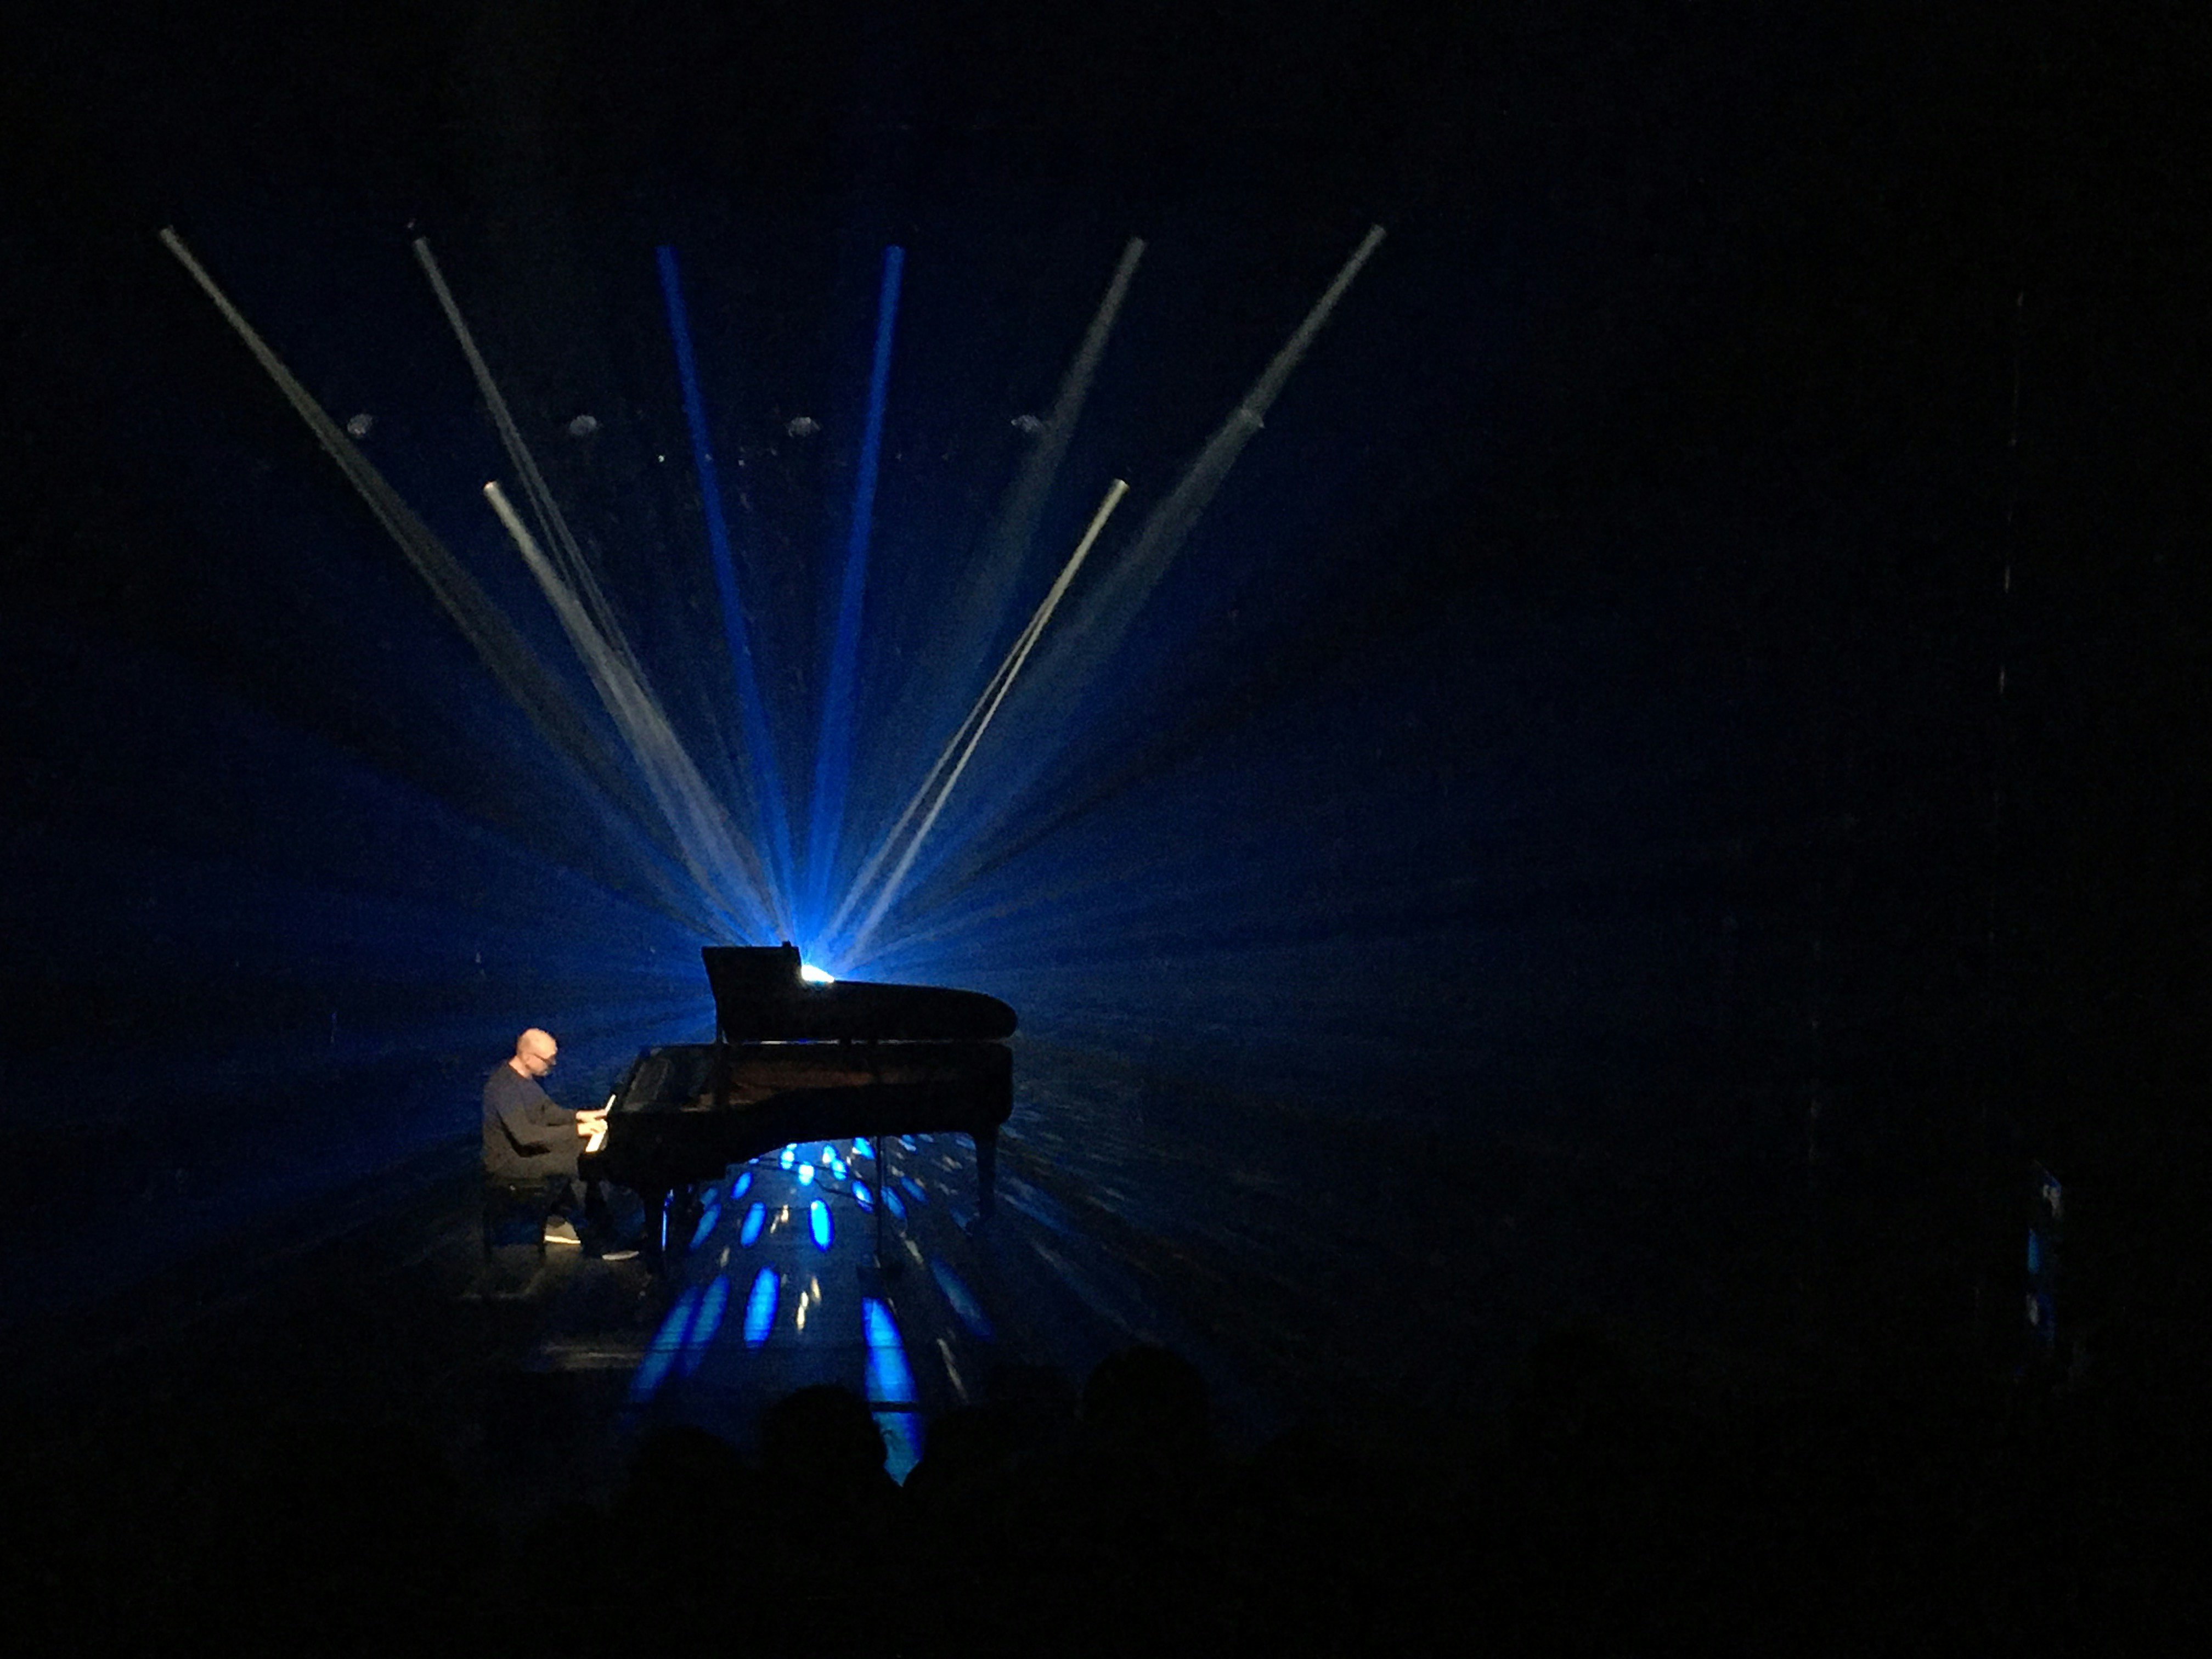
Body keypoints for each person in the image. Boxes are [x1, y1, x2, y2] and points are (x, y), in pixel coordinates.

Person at [482, 1028, 635, 1259]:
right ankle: (605, 1242)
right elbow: (526, 1136)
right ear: (528, 1057)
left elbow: (547, 1112)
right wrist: (577, 1130)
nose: (552, 1065)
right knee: (582, 1164)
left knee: (587, 1152)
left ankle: (561, 1217)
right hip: (510, 1161)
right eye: (548, 1060)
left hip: (527, 1151)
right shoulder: (503, 1087)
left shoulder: (526, 1079)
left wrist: (579, 1116)